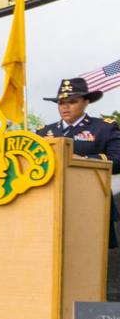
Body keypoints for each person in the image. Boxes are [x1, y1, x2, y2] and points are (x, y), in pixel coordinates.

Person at [39, 76, 120, 242]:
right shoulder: (43, 132)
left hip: (92, 204)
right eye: (61, 103)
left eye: (72, 101)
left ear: (86, 102)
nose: (65, 107)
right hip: (50, 207)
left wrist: (80, 161)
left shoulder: (104, 128)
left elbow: (117, 160)